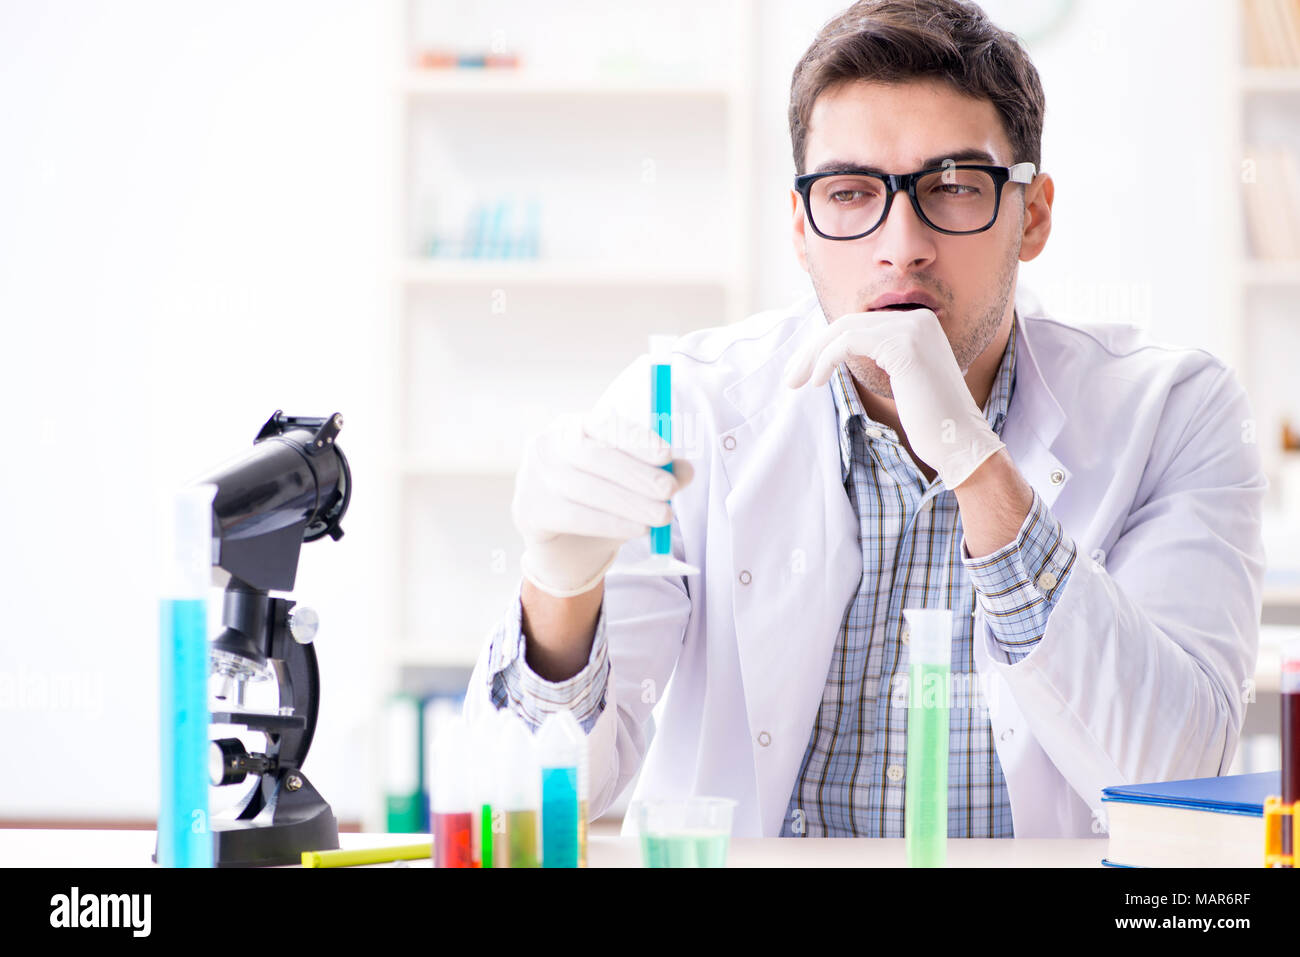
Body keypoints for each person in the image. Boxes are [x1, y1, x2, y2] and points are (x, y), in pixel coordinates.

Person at [464, 0, 1267, 839]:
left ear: (1031, 216)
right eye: (850, 194)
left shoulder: (1173, 412)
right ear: (801, 226)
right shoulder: (688, 405)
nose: (901, 244)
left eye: (953, 188)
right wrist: (558, 591)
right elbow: (531, 805)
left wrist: (978, 467)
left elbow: (1179, 778)